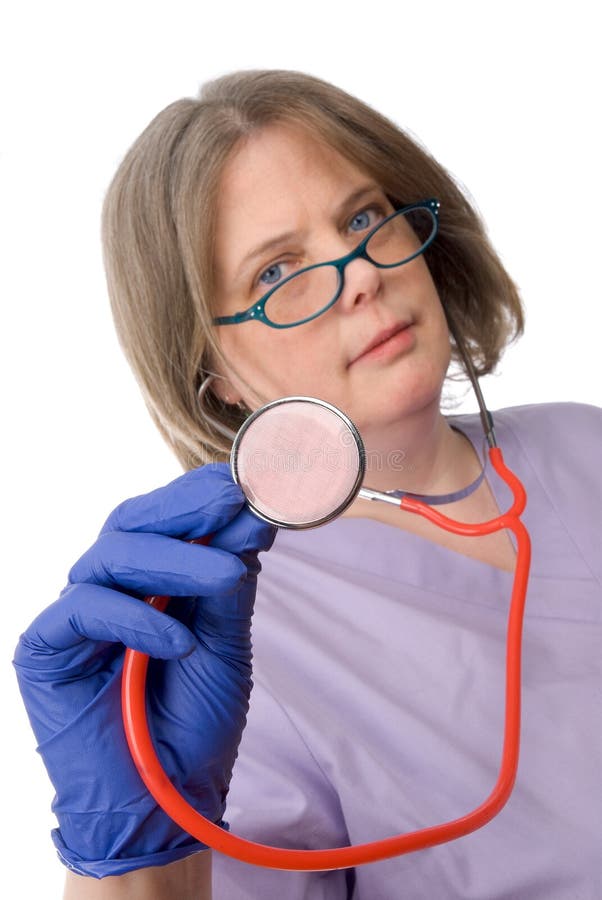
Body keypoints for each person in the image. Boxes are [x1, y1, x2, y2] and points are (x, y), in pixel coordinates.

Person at [14, 69, 601, 899]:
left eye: (362, 217)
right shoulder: (222, 643)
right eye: (276, 272)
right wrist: (133, 862)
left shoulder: (585, 442)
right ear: (213, 370)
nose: (361, 275)